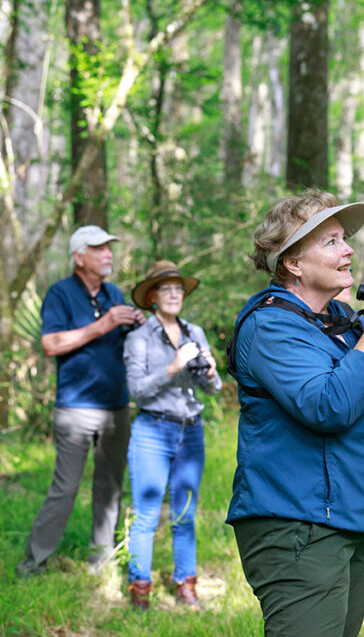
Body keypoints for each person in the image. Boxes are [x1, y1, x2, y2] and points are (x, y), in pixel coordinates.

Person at [226, 189, 364, 636]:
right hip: (298, 525)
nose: (348, 250)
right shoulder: (271, 326)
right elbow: (330, 406)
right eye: (331, 241)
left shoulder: (340, 322)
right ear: (293, 264)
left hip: (354, 519)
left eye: (345, 239)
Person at [17, 226, 144, 578]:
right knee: (65, 488)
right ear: (79, 257)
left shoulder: (113, 293)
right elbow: (50, 344)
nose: (108, 254)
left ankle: (100, 562)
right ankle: (33, 564)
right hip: (76, 409)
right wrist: (103, 325)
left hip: (116, 407)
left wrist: (136, 324)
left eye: (109, 248)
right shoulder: (60, 293)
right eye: (99, 248)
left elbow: (123, 341)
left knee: (111, 488)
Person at [123, 260, 222, 610]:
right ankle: (140, 589)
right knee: (146, 515)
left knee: (185, 514)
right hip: (152, 430)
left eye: (179, 288)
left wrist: (210, 372)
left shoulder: (196, 332)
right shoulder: (139, 338)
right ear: (152, 296)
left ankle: (186, 586)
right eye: (166, 289)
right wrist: (173, 367)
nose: (174, 294)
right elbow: (137, 390)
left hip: (191, 432)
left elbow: (213, 388)